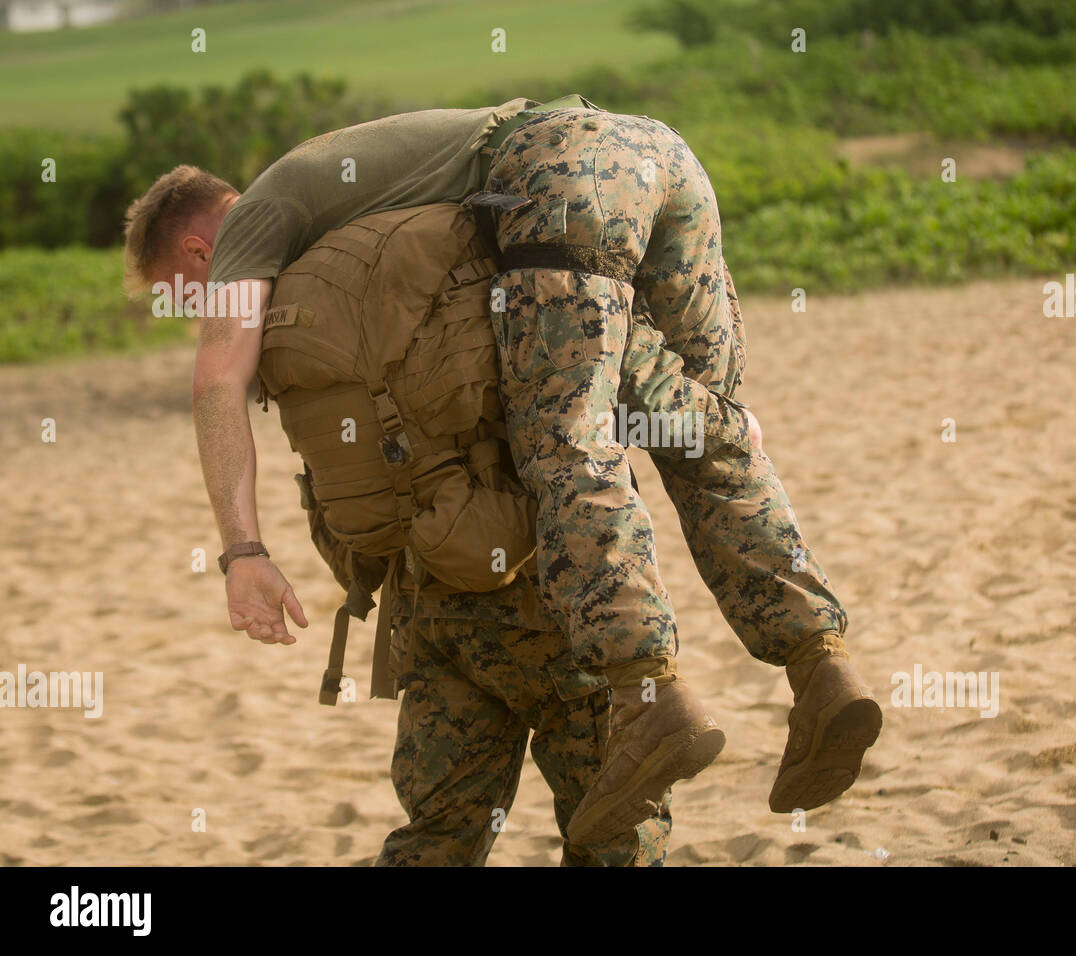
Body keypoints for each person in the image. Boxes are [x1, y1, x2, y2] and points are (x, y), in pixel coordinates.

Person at [121, 95, 882, 846]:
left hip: (550, 180)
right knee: (707, 434)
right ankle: (821, 665)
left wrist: (242, 551)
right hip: (658, 156)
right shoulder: (341, 196)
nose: (197, 310)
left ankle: (649, 691)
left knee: (566, 440)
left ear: (198, 253)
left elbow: (217, 380)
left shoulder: (253, 220)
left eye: (179, 294)